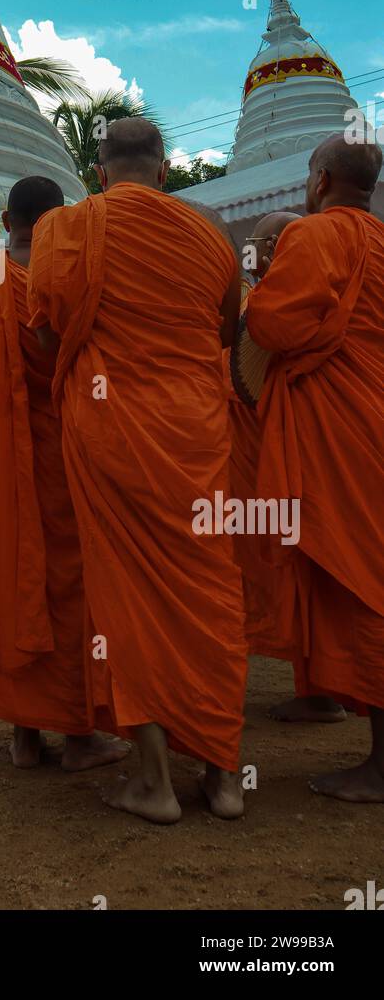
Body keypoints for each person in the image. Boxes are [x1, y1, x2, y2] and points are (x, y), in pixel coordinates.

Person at [28, 118, 248, 824]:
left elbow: (48, 327)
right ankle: (223, 777)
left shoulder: (69, 226)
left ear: (99, 170)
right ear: (164, 169)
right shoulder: (210, 231)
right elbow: (227, 328)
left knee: (127, 596)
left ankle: (153, 783)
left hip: (113, 429)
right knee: (211, 588)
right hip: (196, 430)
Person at [0, 175, 128, 771]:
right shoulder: (65, 282)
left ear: (4, 220)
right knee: (71, 591)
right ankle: (78, 736)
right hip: (65, 468)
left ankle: (24, 737)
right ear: (59, 221)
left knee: (11, 585)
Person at [245, 133, 384, 801]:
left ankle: (382, 766)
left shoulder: (313, 237)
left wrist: (257, 291)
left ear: (321, 179)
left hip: (340, 433)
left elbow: (272, 327)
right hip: (371, 421)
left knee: (363, 582)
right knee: (362, 571)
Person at [228, 212, 345, 724]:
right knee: (279, 566)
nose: (249, 259)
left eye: (257, 248)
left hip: (281, 454)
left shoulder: (276, 308)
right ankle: (315, 686)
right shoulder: (266, 302)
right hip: (260, 455)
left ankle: (322, 689)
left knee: (295, 565)